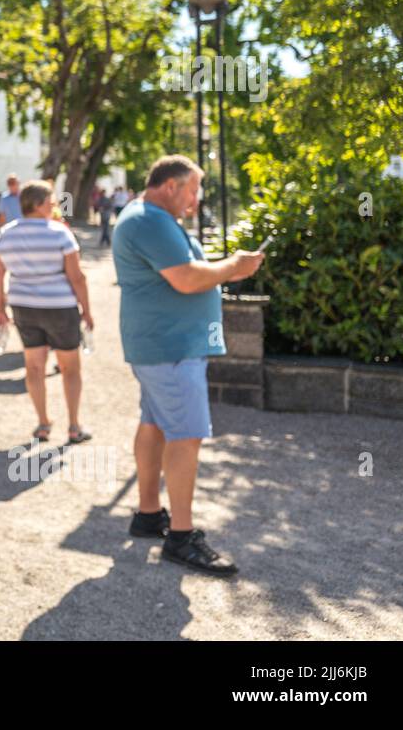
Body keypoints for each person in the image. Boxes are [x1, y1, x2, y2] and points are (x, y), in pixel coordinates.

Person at [113, 155, 264, 576]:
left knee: (156, 425)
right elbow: (186, 278)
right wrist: (235, 267)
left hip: (161, 346)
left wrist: (226, 269)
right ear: (171, 185)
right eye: (193, 190)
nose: (196, 201)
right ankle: (181, 536)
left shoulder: (146, 217)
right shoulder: (150, 220)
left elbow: (186, 273)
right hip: (171, 348)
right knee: (186, 435)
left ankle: (148, 514)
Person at [0, 180, 93, 444]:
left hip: (24, 306)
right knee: (70, 368)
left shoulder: (5, 234)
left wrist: (0, 309)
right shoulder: (59, 233)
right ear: (38, 205)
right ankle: (74, 425)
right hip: (60, 307)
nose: (54, 206)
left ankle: (43, 422)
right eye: (51, 201)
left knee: (34, 368)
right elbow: (77, 277)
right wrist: (87, 310)